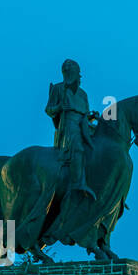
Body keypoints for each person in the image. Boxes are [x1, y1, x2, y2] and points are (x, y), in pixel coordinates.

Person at [45, 59, 98, 199]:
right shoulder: (58, 88)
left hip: (84, 125)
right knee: (78, 148)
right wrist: (59, 107)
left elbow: (85, 116)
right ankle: (77, 184)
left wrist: (92, 117)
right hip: (68, 125)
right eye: (67, 68)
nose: (69, 70)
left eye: (73, 69)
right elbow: (48, 110)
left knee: (99, 144)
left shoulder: (83, 94)